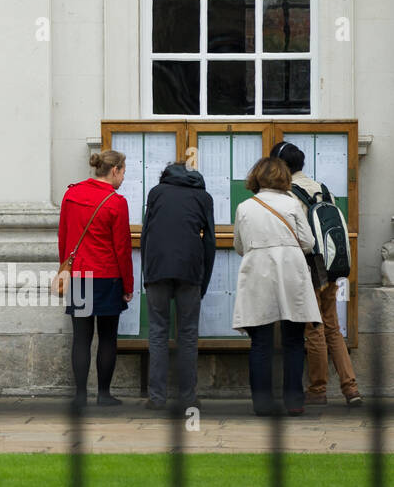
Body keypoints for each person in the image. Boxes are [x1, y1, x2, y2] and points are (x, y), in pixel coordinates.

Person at [269, 141, 362, 407]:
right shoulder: (323, 189)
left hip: (309, 267)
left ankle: (318, 388)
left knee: (314, 327)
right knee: (332, 326)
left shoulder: (289, 194)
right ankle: (350, 387)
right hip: (332, 266)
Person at [232, 156, 322, 416]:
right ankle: (294, 401)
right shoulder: (291, 204)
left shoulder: (245, 207)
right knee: (294, 340)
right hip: (291, 270)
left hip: (257, 270)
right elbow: (308, 243)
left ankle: (261, 402)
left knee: (260, 342)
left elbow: (239, 246)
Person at [58, 149, 133, 411]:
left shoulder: (71, 194)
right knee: (108, 337)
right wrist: (128, 285)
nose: (123, 178)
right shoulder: (116, 202)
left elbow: (64, 237)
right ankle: (103, 393)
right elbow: (122, 248)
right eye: (123, 172)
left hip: (79, 274)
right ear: (114, 171)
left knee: (81, 338)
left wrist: (64, 270)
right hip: (107, 276)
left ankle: (80, 395)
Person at [139, 161, 216, 411]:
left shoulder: (156, 193)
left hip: (158, 270)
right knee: (188, 334)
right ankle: (187, 397)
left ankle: (157, 397)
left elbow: (146, 234)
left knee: (158, 332)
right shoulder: (203, 197)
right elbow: (210, 243)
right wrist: (203, 281)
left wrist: (146, 273)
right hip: (190, 270)